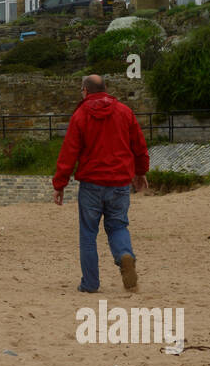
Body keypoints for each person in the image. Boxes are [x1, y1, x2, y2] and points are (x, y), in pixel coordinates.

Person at [53, 74, 149, 293]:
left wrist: (60, 184)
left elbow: (69, 153)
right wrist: (141, 172)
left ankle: (90, 284)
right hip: (119, 183)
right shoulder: (124, 112)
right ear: (105, 89)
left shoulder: (80, 115)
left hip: (91, 184)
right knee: (118, 226)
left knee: (88, 234)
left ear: (86, 91)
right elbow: (139, 146)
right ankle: (125, 255)